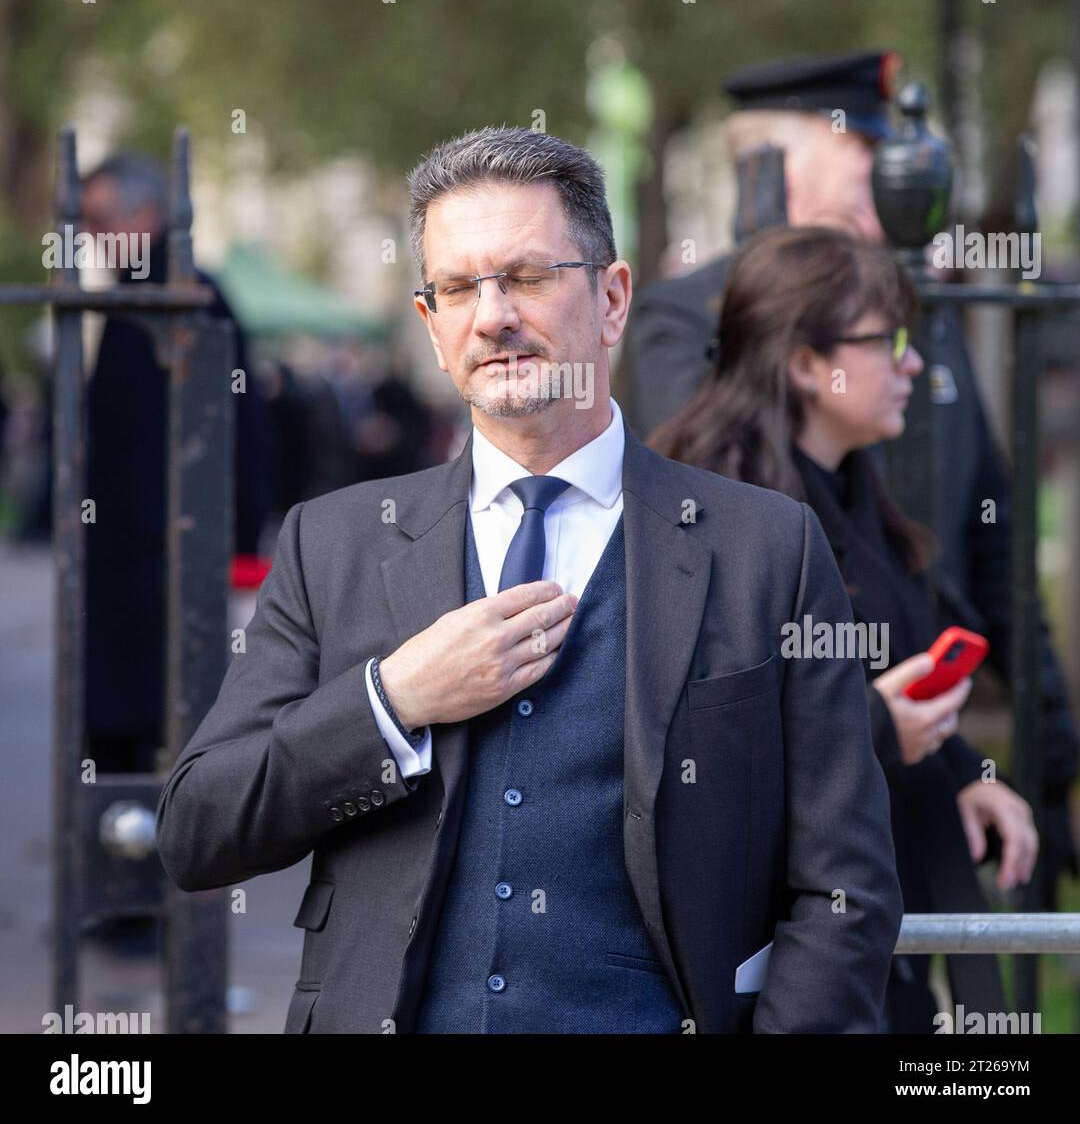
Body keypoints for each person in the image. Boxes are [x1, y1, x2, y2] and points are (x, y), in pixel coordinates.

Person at [156, 126, 903, 1034]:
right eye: (460, 287)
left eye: (529, 276)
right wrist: (392, 702)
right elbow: (199, 829)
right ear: (432, 329)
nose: (494, 315)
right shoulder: (335, 543)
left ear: (614, 299)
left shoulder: (765, 547)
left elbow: (844, 889)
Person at [623, 50, 1078, 907]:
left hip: (923, 729)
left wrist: (1050, 757)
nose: (901, 171)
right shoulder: (692, 312)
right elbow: (717, 545)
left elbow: (994, 552)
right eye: (866, 152)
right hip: (799, 770)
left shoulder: (922, 314)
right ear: (779, 163)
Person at [648, 225, 1040, 1031]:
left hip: (877, 916)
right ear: (803, 364)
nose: (913, 364)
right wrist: (879, 724)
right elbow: (691, 738)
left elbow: (897, 659)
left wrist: (966, 770)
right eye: (888, 339)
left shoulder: (855, 481)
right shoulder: (707, 512)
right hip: (779, 952)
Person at [82, 152, 270, 777]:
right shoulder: (136, 295)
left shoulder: (188, 293)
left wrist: (238, 534)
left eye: (102, 220)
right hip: (127, 549)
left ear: (148, 213)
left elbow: (240, 421)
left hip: (173, 547)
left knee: (170, 717)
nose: (93, 238)